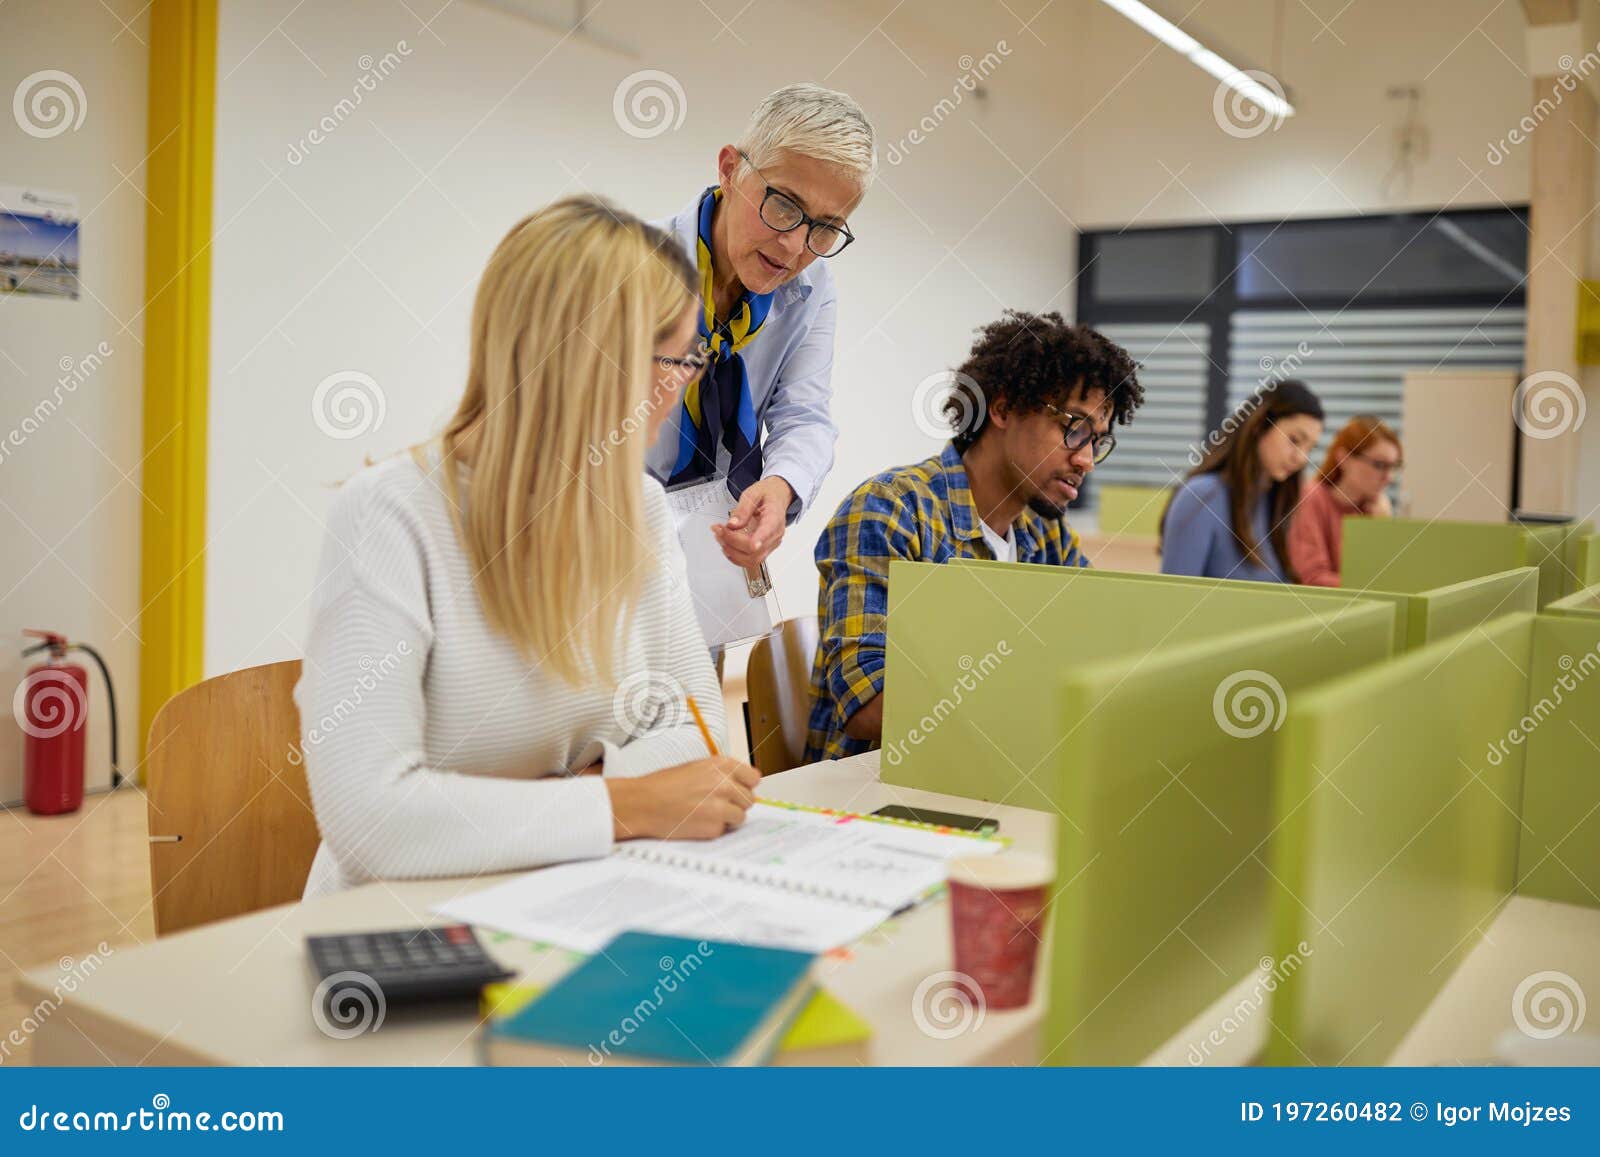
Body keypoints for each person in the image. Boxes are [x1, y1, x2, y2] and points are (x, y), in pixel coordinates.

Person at [294, 197, 761, 897]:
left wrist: (537, 804)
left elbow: (698, 731)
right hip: (401, 926)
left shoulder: (637, 503)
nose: (683, 385)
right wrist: (623, 802)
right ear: (594, 361)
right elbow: (369, 820)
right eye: (680, 357)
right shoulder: (389, 515)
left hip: (572, 890)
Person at [803, 311, 1144, 762]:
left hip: (1001, 768)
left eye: (1097, 441)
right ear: (1002, 409)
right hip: (879, 792)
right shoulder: (891, 512)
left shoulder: (1045, 536)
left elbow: (1095, 651)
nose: (1087, 461)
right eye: (1074, 429)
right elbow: (867, 705)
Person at [646, 83, 875, 572]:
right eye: (785, 205)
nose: (794, 246)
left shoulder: (813, 288)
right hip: (602, 537)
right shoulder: (631, 264)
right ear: (730, 170)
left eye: (827, 227)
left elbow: (805, 414)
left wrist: (783, 483)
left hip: (710, 552)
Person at [1160, 379, 1324, 583]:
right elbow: (1175, 599)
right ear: (1259, 427)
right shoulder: (1201, 496)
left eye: (1310, 448)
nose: (1301, 458)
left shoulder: (1276, 502)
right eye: (1294, 440)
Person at [1287, 415, 1402, 587]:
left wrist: (1382, 526)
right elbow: (1311, 578)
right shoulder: (1311, 499)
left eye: (1393, 466)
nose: (1388, 477)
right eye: (1379, 465)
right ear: (1344, 458)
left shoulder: (1374, 508)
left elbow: (1387, 575)